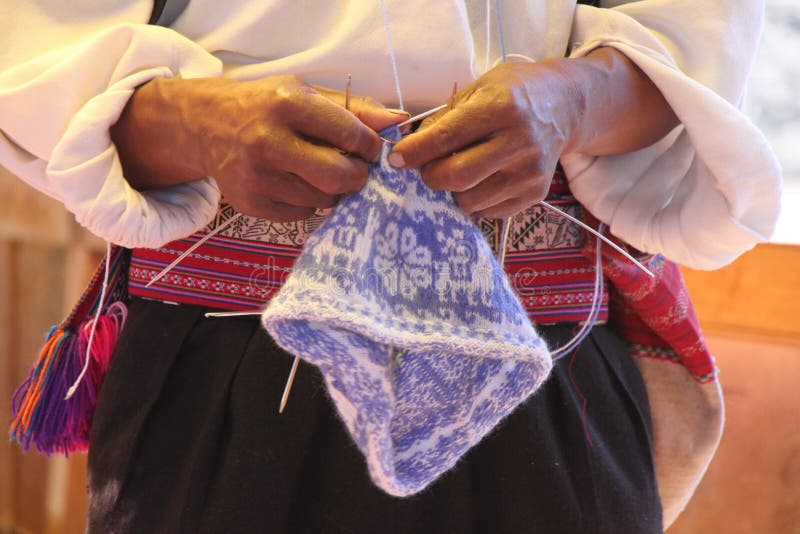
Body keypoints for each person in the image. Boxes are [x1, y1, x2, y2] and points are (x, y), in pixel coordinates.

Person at [0, 1, 780, 532]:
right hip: (218, 357)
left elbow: (695, 36)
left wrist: (568, 104)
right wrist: (200, 125)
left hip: (546, 355)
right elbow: (37, 46)